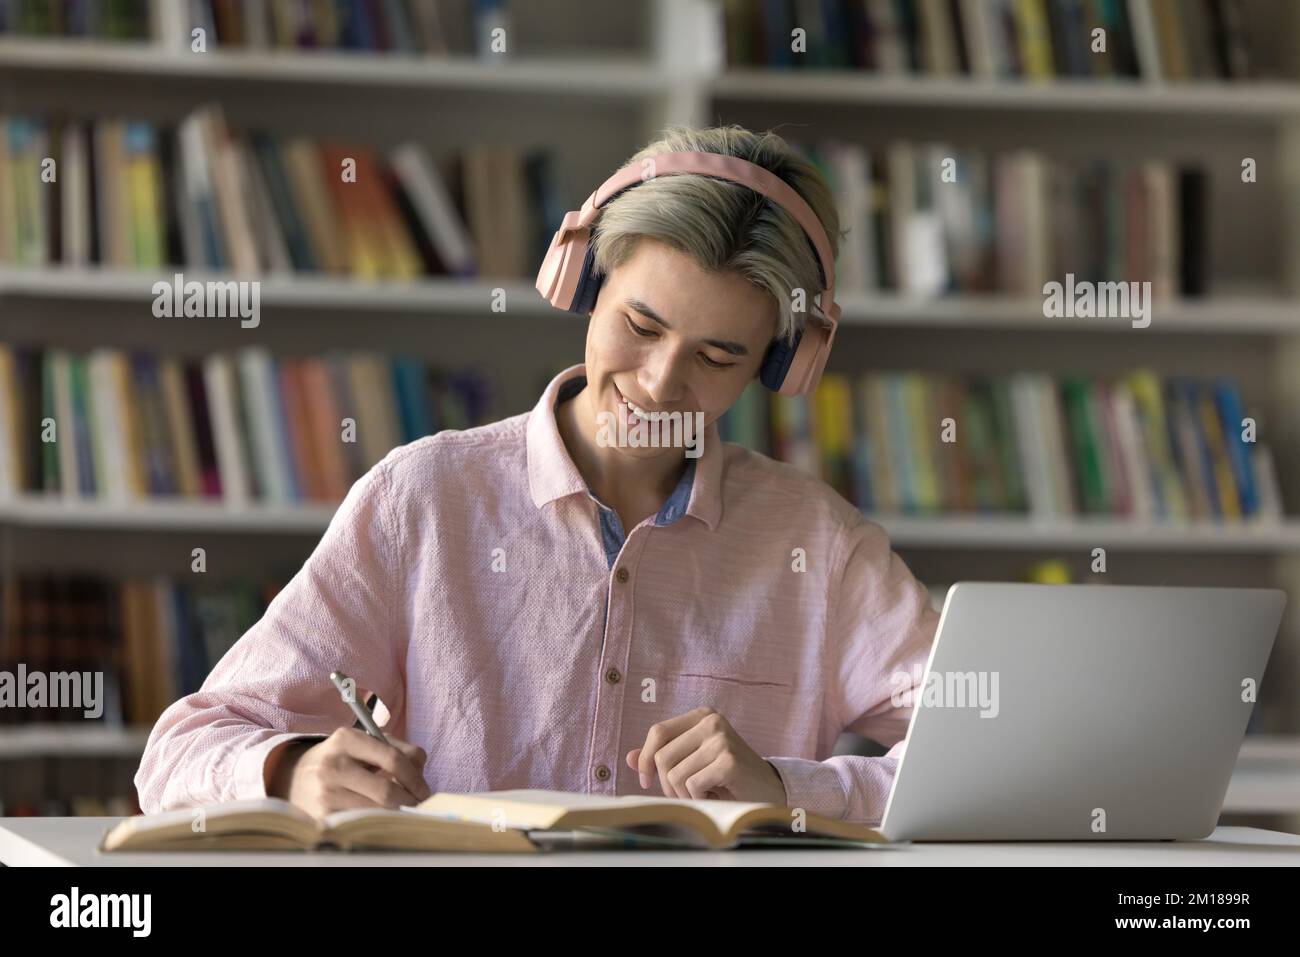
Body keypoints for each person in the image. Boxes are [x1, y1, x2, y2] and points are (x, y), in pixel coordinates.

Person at [135, 124, 939, 826]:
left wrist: (789, 788)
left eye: (718, 355)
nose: (660, 382)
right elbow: (181, 750)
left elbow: (999, 748)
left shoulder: (818, 546)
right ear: (586, 278)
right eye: (641, 324)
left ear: (778, 365)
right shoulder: (422, 498)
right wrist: (293, 769)